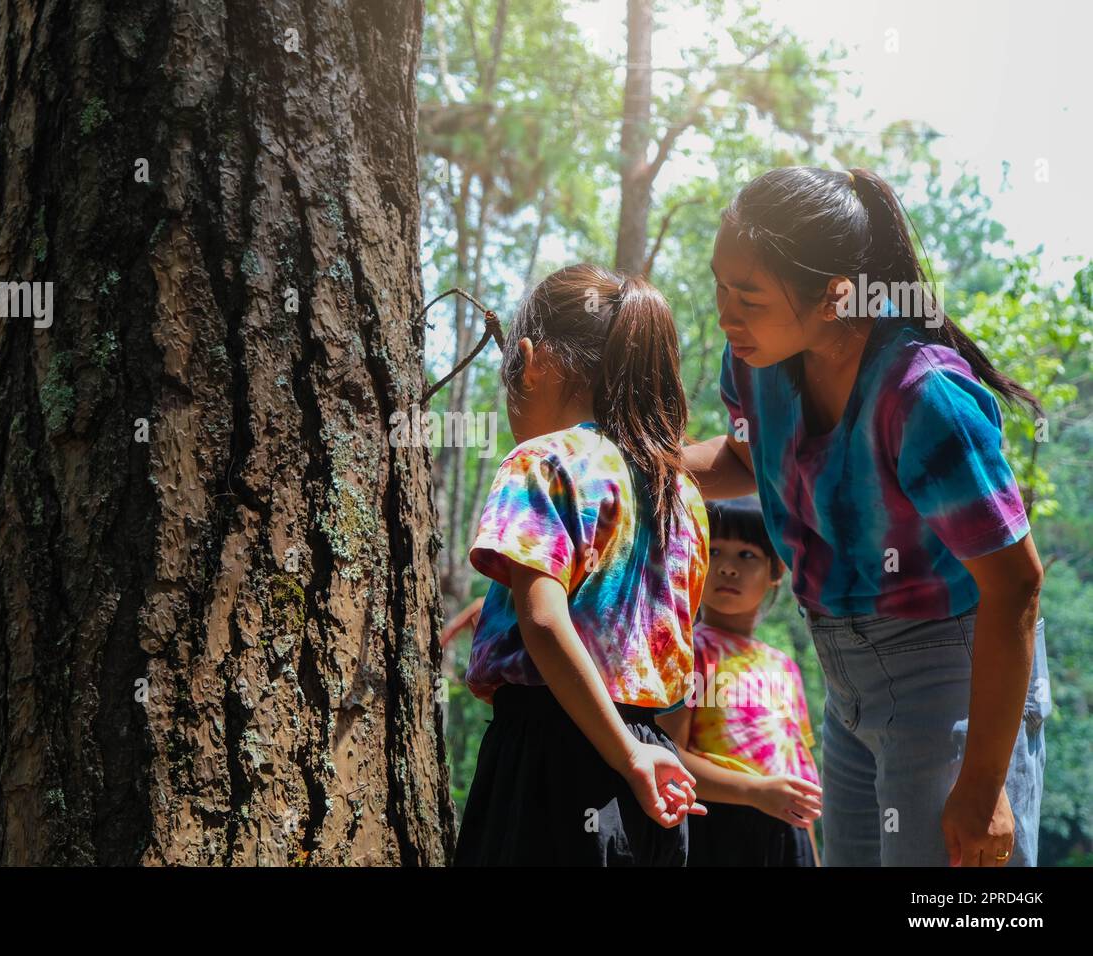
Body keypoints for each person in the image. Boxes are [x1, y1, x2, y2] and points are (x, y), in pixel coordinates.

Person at [684, 166, 1049, 866]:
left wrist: (981, 785)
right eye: (719, 286)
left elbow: (1015, 588)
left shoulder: (923, 398)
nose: (726, 314)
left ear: (833, 296)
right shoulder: (759, 363)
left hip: (953, 676)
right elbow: (746, 461)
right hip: (845, 681)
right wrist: (643, 462)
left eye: (749, 297)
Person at [446, 263, 710, 865]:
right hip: (649, 768)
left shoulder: (543, 461)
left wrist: (624, 753)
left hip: (551, 754)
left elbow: (543, 622)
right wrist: (634, 753)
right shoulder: (681, 494)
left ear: (532, 361)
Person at [656, 495, 822, 866]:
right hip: (715, 827)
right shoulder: (687, 651)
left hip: (788, 832)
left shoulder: (783, 666)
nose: (728, 568)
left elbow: (797, 771)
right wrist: (753, 791)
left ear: (776, 571)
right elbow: (668, 757)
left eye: (747, 555)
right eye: (713, 552)